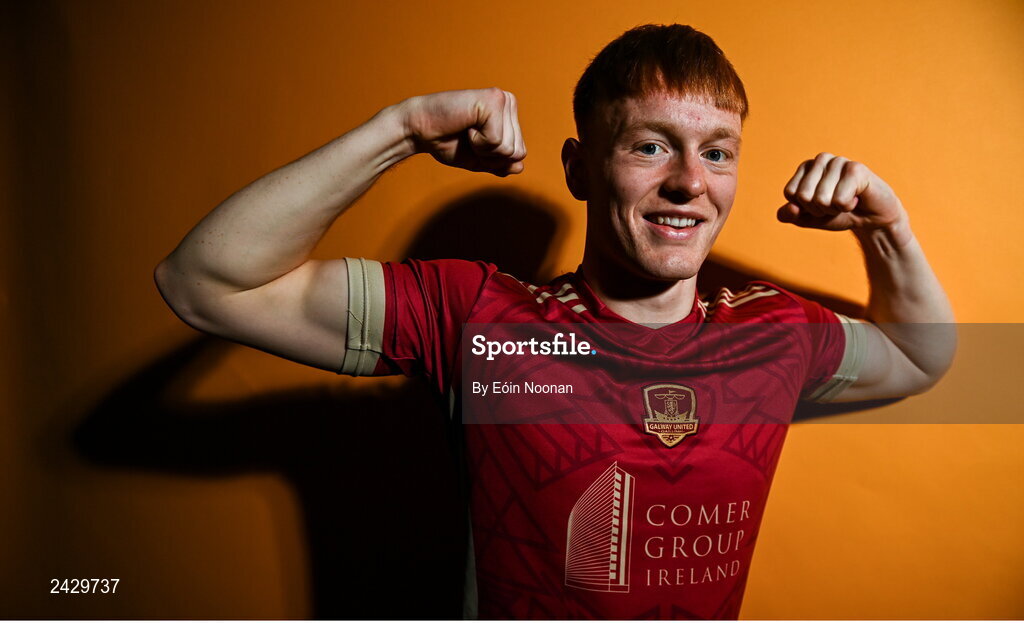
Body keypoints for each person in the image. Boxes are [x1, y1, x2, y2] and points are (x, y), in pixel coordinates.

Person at [154, 24, 955, 620]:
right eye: (650, 147)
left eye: (717, 153)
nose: (690, 182)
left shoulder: (773, 333)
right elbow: (204, 283)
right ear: (579, 168)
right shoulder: (478, 317)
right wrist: (400, 130)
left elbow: (925, 357)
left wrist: (885, 227)